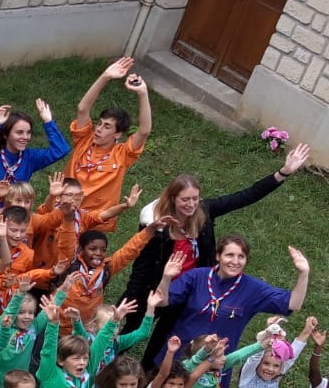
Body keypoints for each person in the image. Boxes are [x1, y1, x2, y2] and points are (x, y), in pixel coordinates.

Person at [119, 143, 312, 351]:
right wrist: (129, 297)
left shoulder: (205, 213)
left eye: (195, 198)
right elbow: (142, 266)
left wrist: (283, 173)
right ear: (173, 199)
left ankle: (152, 371)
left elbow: (246, 196)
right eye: (185, 200)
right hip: (158, 288)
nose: (191, 205)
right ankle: (108, 364)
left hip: (189, 289)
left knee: (166, 338)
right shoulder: (158, 227)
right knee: (132, 331)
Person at [158, 237, 311, 370]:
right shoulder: (197, 276)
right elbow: (161, 301)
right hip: (179, 355)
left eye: (241, 256)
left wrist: (304, 273)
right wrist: (166, 278)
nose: (235, 261)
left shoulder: (252, 288)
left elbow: (293, 304)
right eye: (229, 255)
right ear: (218, 256)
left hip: (215, 365)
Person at [65, 58, 152, 232]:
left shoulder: (123, 154)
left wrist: (142, 93)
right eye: (99, 123)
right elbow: (83, 108)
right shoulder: (84, 139)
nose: (99, 129)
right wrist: (105, 76)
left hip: (95, 222)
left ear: (118, 133)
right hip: (64, 210)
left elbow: (144, 131)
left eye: (107, 127)